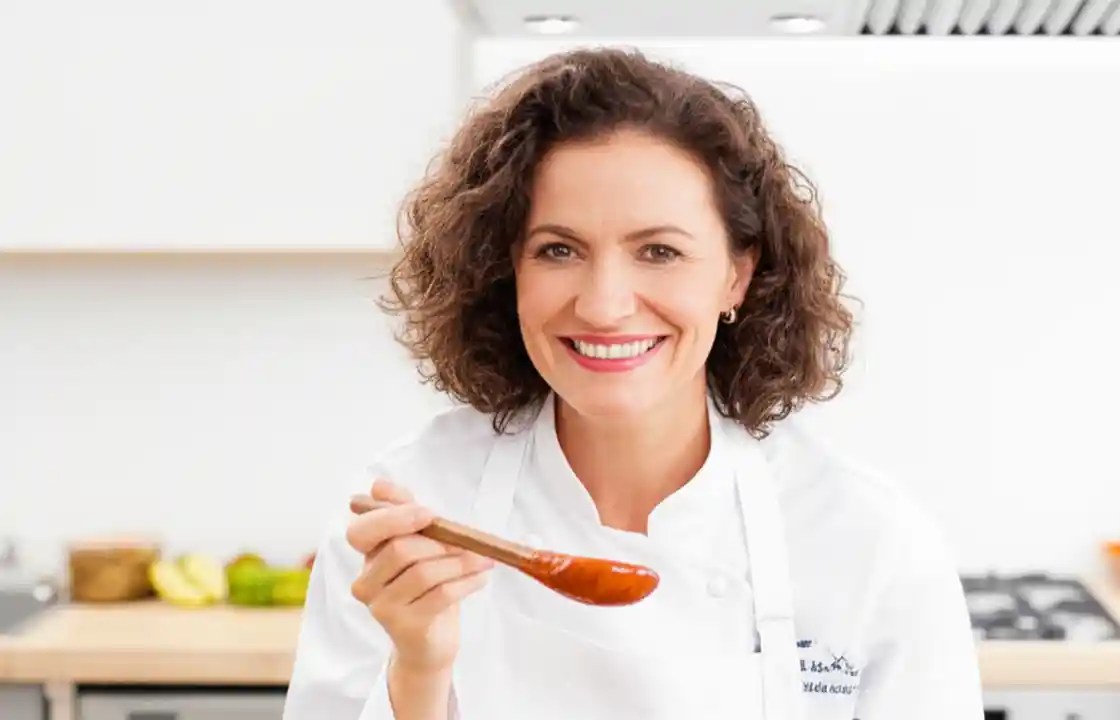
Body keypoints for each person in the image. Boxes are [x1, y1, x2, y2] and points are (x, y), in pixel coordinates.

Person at [282, 46, 983, 720]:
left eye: (659, 251)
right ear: (507, 273)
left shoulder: (868, 542)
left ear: (735, 274)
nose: (605, 303)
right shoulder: (413, 518)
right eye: (558, 250)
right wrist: (419, 672)